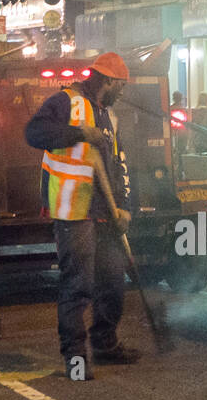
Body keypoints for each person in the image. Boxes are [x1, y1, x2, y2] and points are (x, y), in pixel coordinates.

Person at [24, 52, 138, 378]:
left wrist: (125, 208)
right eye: (121, 85)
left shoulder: (108, 116)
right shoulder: (66, 102)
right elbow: (34, 134)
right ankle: (76, 360)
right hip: (74, 210)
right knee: (78, 286)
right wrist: (78, 134)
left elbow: (119, 168)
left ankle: (105, 344)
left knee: (113, 282)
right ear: (109, 81)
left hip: (105, 213)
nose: (122, 91)